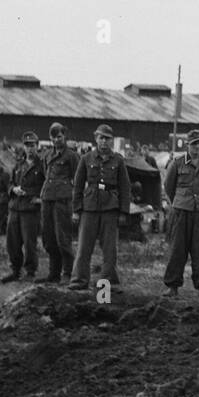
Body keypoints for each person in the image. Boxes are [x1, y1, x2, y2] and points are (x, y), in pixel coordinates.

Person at [69, 125, 132, 291]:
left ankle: (106, 285)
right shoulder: (86, 158)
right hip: (89, 207)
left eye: (107, 138)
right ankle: (79, 281)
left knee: (109, 250)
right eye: (101, 138)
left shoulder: (118, 160)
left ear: (112, 140)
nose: (104, 142)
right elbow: (78, 185)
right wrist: (76, 209)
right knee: (83, 247)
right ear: (95, 139)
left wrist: (123, 211)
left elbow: (125, 187)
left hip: (110, 209)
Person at [162, 129, 199, 302]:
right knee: (177, 249)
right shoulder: (177, 163)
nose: (197, 147)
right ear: (188, 145)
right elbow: (169, 186)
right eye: (194, 143)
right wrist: (180, 202)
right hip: (181, 211)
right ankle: (172, 287)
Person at [39, 123, 80, 282]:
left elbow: (78, 180)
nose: (56, 140)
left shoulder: (72, 156)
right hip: (47, 198)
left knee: (63, 238)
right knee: (48, 239)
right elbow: (46, 175)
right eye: (53, 137)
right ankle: (53, 273)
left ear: (65, 137)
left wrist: (77, 205)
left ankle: (68, 273)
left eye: (59, 137)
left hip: (63, 201)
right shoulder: (48, 155)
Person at [2, 132, 45, 282]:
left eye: (32, 145)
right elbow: (10, 183)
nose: (29, 149)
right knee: (12, 242)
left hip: (30, 209)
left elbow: (46, 186)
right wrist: (13, 189)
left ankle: (30, 271)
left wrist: (36, 196)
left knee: (29, 243)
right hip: (15, 208)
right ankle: (15, 270)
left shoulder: (42, 166)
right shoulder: (19, 165)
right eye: (27, 146)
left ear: (37, 147)